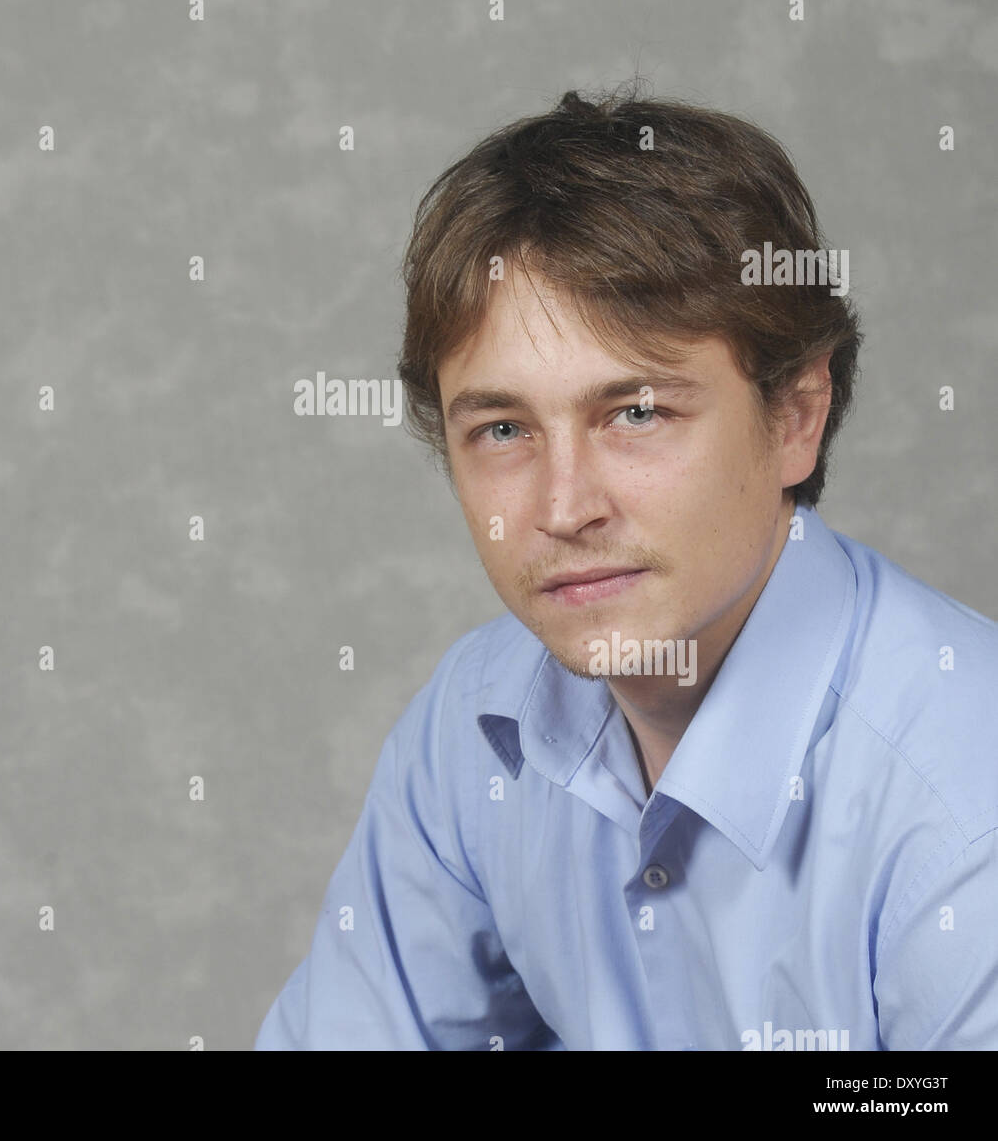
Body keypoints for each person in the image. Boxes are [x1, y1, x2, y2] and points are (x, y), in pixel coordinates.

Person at [255, 84, 998, 1050]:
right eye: (504, 428)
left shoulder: (966, 812)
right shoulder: (473, 729)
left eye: (637, 412)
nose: (564, 508)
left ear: (795, 418)